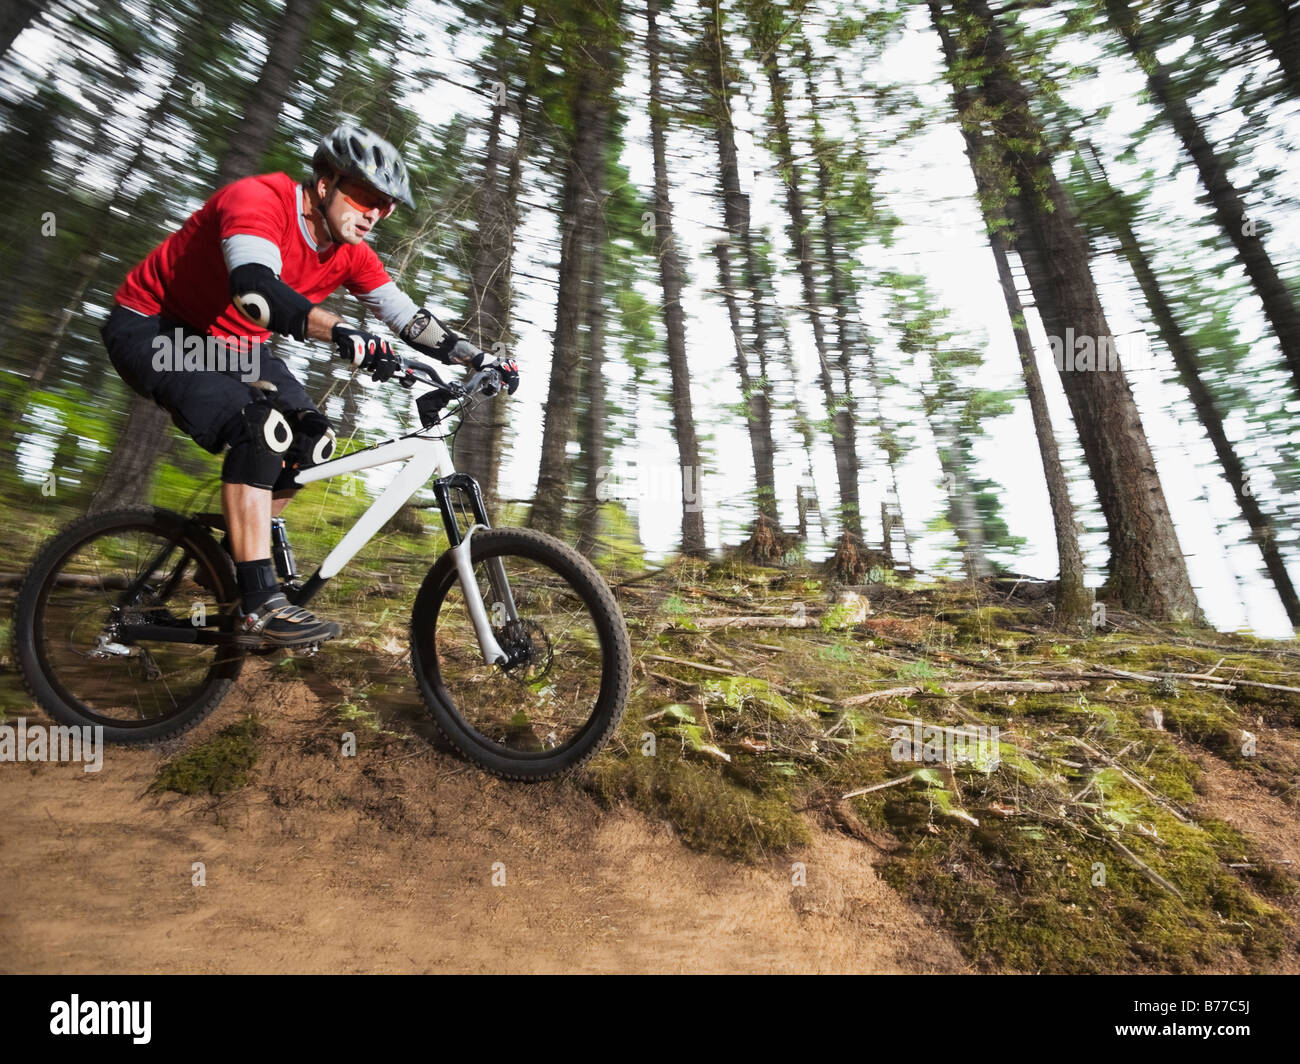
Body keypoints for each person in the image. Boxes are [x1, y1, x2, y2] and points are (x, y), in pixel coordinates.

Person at [100, 122, 519, 647]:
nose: (373, 214)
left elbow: (408, 319)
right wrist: (342, 330)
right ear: (325, 185)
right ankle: (257, 602)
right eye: (365, 196)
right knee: (261, 429)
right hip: (155, 327)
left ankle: (233, 558)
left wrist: (478, 357)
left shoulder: (350, 251)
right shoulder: (258, 200)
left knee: (312, 439)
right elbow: (256, 292)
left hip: (235, 345)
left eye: (384, 207)